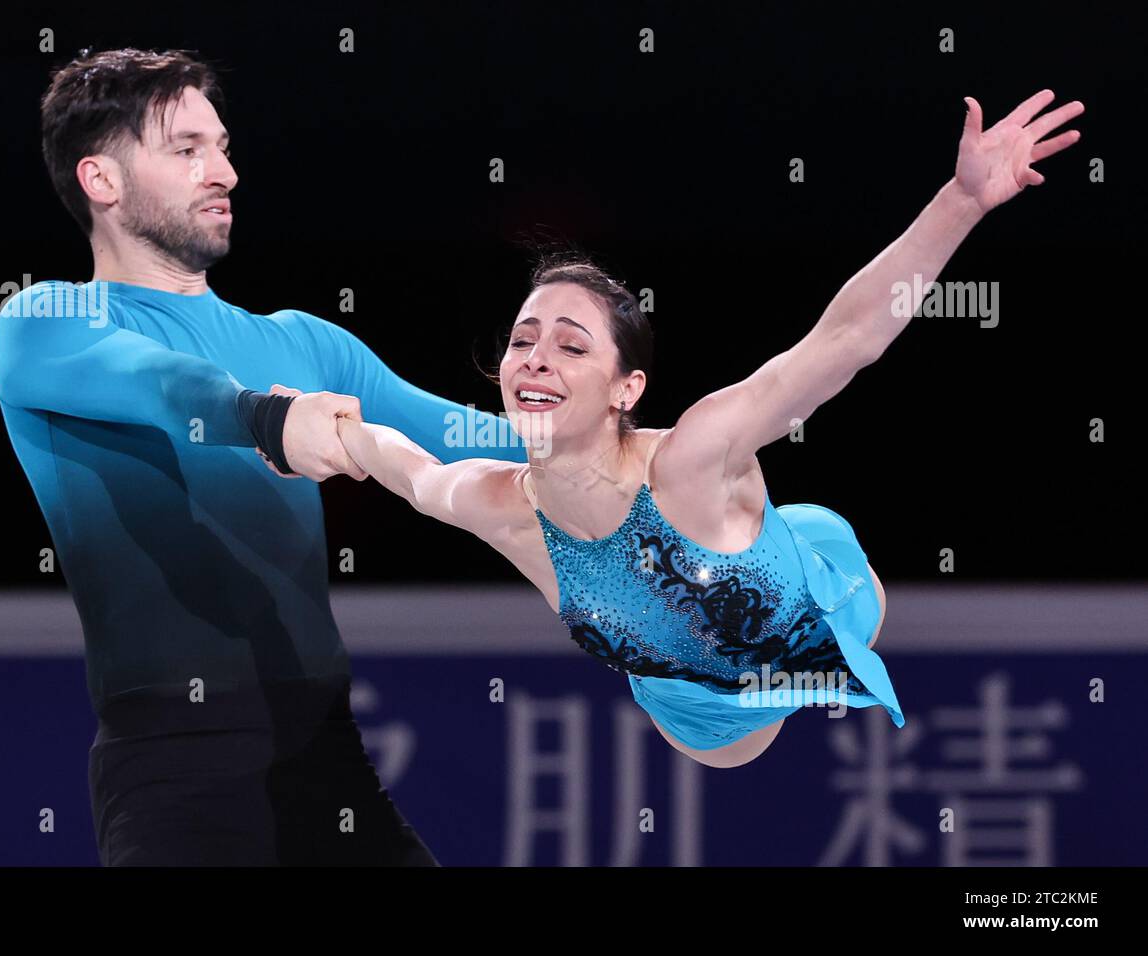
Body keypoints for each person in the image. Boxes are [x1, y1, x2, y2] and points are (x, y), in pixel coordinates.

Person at [296, 88, 1084, 769]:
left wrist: (962, 201)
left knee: (853, 596)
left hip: (816, 599)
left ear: (625, 388)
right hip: (695, 711)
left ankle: (805, 560)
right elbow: (411, 472)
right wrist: (332, 427)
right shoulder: (501, 505)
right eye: (522, 342)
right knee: (728, 746)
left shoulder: (694, 457)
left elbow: (845, 341)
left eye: (571, 346)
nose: (535, 360)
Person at [0, 47, 526, 865]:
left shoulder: (306, 342)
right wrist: (271, 419)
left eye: (224, 146)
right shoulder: (45, 321)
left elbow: (472, 437)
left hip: (327, 758)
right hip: (176, 777)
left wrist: (651, 451)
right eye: (187, 150)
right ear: (101, 181)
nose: (226, 173)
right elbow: (167, 389)